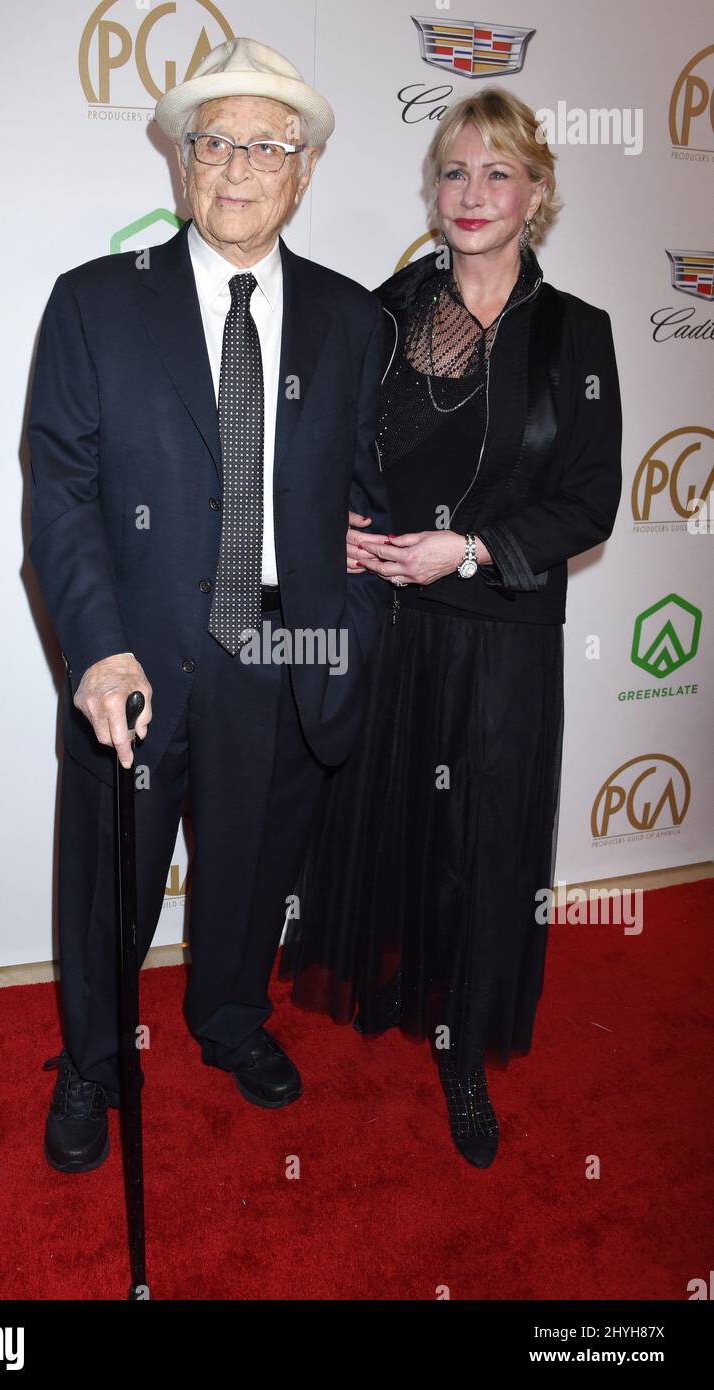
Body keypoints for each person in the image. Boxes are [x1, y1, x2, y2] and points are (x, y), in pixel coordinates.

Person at [27, 37, 391, 1172]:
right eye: (216, 142)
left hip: (282, 647)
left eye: (266, 145)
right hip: (135, 652)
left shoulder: (352, 321)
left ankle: (230, 1017)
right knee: (108, 881)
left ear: (307, 170)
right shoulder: (95, 303)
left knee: (250, 865)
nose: (238, 167)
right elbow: (62, 491)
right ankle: (93, 1060)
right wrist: (92, 650)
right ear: (183, 162)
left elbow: (366, 501)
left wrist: (352, 621)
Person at [279, 86, 623, 1168]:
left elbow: (587, 502)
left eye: (497, 173)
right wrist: (330, 524)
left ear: (537, 192)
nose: (472, 194)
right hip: (390, 620)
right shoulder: (380, 312)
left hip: (499, 631)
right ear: (432, 190)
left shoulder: (580, 334)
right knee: (387, 824)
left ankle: (463, 1050)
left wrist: (466, 548)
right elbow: (326, 449)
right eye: (454, 172)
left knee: (483, 842)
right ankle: (393, 989)